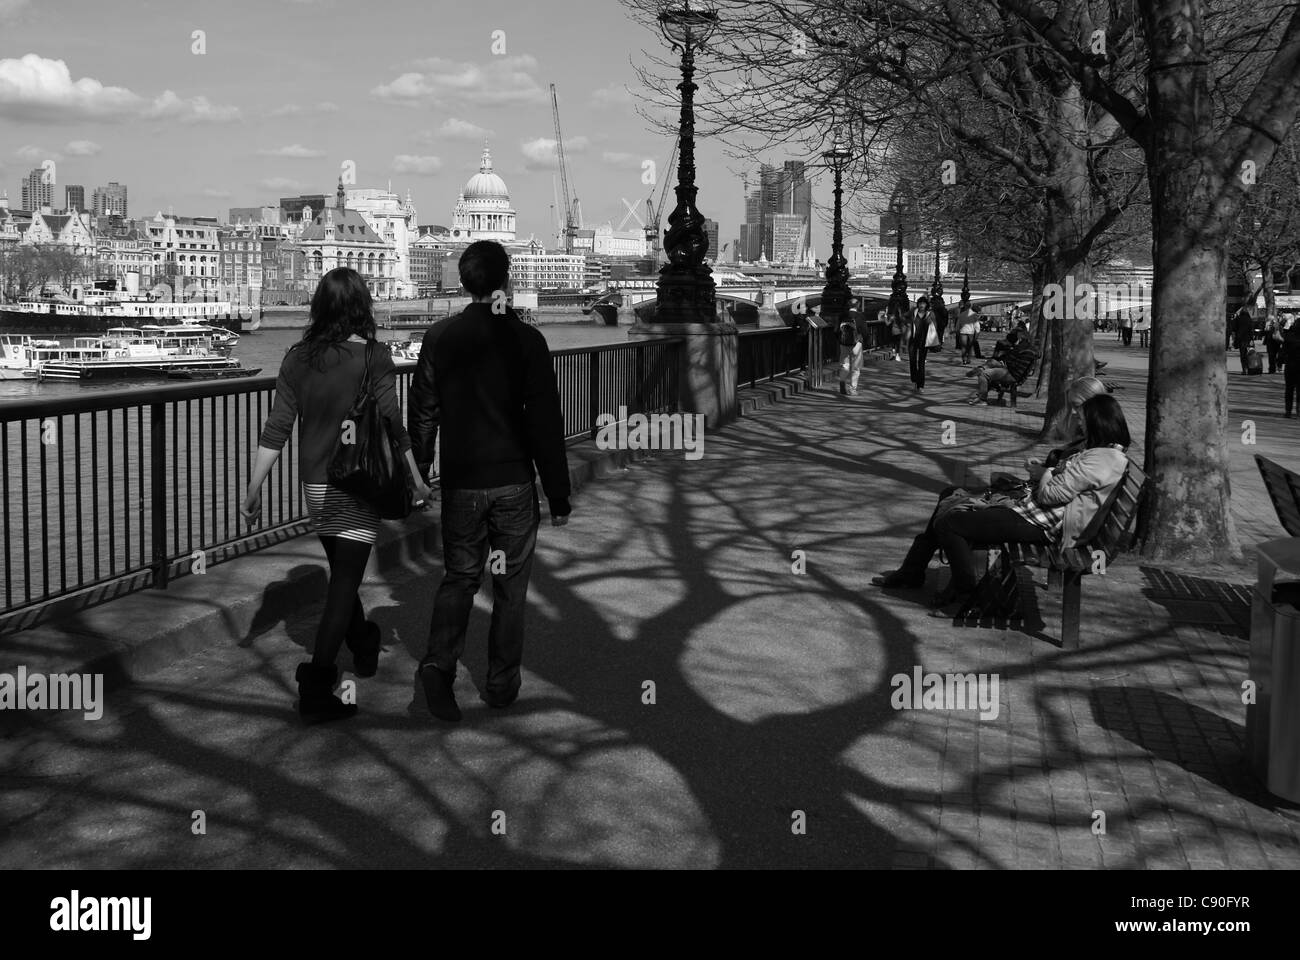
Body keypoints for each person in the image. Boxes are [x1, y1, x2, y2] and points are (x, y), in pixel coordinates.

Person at [241, 268, 430, 723]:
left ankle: (364, 640)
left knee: (343, 569)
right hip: (358, 480)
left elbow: (277, 429)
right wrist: (417, 478)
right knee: (344, 580)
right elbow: (391, 423)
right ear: (361, 307)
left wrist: (253, 488)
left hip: (317, 484)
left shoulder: (295, 359)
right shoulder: (374, 357)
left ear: (319, 307)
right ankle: (316, 683)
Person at [407, 241, 571, 722]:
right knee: (510, 586)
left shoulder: (440, 338)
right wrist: (557, 493)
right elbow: (544, 420)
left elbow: (423, 414)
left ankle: (439, 666)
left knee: (459, 577)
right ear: (507, 280)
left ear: (463, 283)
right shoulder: (527, 341)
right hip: (513, 481)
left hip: (461, 480)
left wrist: (418, 476)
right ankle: (500, 685)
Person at [871, 394, 1131, 614]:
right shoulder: (1100, 452)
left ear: (1098, 422)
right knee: (951, 494)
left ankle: (965, 590)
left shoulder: (1103, 459)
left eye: (1083, 418)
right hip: (1039, 512)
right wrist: (1048, 472)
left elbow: (1051, 495)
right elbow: (1060, 487)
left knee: (952, 524)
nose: (1079, 421)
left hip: (1044, 523)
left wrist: (1047, 473)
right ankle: (913, 570)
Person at [966, 328, 1037, 405]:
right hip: (1009, 370)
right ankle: (980, 369)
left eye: (1017, 338)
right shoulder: (1022, 348)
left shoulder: (1025, 351)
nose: (1015, 340)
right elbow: (1010, 359)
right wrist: (1004, 360)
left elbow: (1015, 366)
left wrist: (1004, 363)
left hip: (1012, 374)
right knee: (992, 362)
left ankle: (982, 399)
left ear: (1021, 339)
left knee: (984, 374)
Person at [904, 294, 934, 392]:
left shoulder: (930, 314)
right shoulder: (913, 312)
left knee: (921, 363)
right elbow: (904, 318)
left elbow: (935, 327)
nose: (922, 305)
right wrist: (908, 323)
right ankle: (915, 380)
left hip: (924, 341)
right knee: (912, 362)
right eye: (920, 303)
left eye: (924, 304)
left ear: (926, 305)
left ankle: (920, 385)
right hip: (913, 340)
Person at [836, 308, 865, 396]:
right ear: (857, 305)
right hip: (856, 344)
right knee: (855, 368)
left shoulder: (841, 316)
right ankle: (852, 389)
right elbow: (865, 331)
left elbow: (836, 330)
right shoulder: (859, 316)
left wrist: (840, 341)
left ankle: (842, 383)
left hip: (844, 344)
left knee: (845, 365)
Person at [1284, 316, 1300, 418]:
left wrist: (1279, 362)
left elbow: (1283, 351)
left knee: (1289, 389)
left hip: (1290, 366)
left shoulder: (1289, 336)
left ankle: (1288, 411)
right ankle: (1299, 411)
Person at [1234, 306, 1255, 374]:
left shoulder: (1238, 319)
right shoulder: (1249, 319)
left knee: (1242, 354)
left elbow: (1235, 329)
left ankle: (1244, 369)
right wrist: (1252, 339)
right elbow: (1251, 330)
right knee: (1249, 354)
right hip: (1248, 339)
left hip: (1241, 339)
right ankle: (1249, 368)